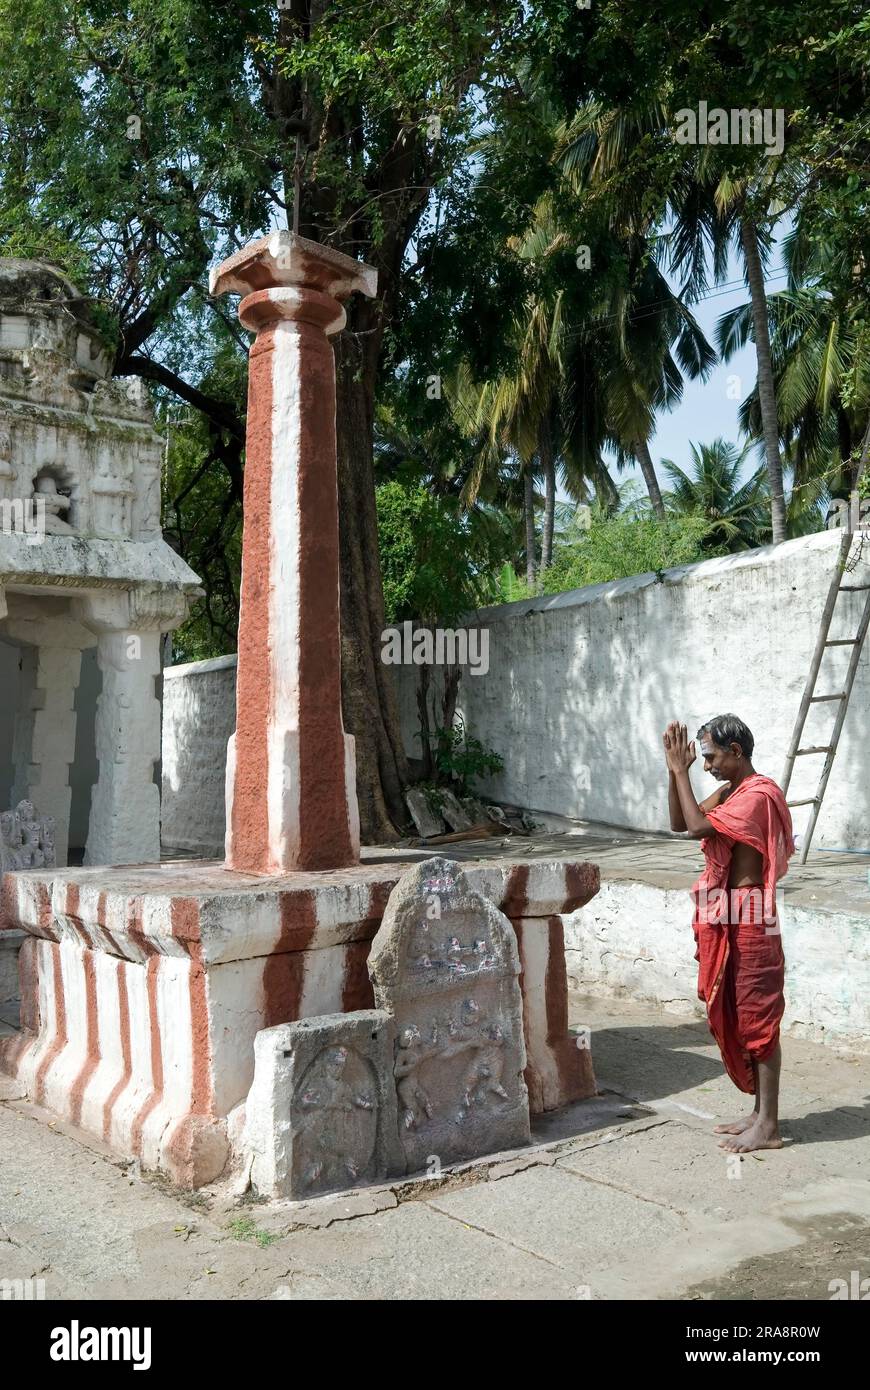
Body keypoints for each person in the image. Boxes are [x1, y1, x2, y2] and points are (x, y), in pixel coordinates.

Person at [663, 715, 794, 1153]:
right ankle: (759, 1115)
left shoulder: (758, 795)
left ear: (736, 751)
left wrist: (681, 773)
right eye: (700, 760)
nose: (707, 767)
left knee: (758, 1015)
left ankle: (770, 1126)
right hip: (727, 912)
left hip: (753, 912)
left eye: (712, 757)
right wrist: (671, 770)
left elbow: (700, 828)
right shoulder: (731, 791)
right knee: (736, 1010)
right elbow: (682, 823)